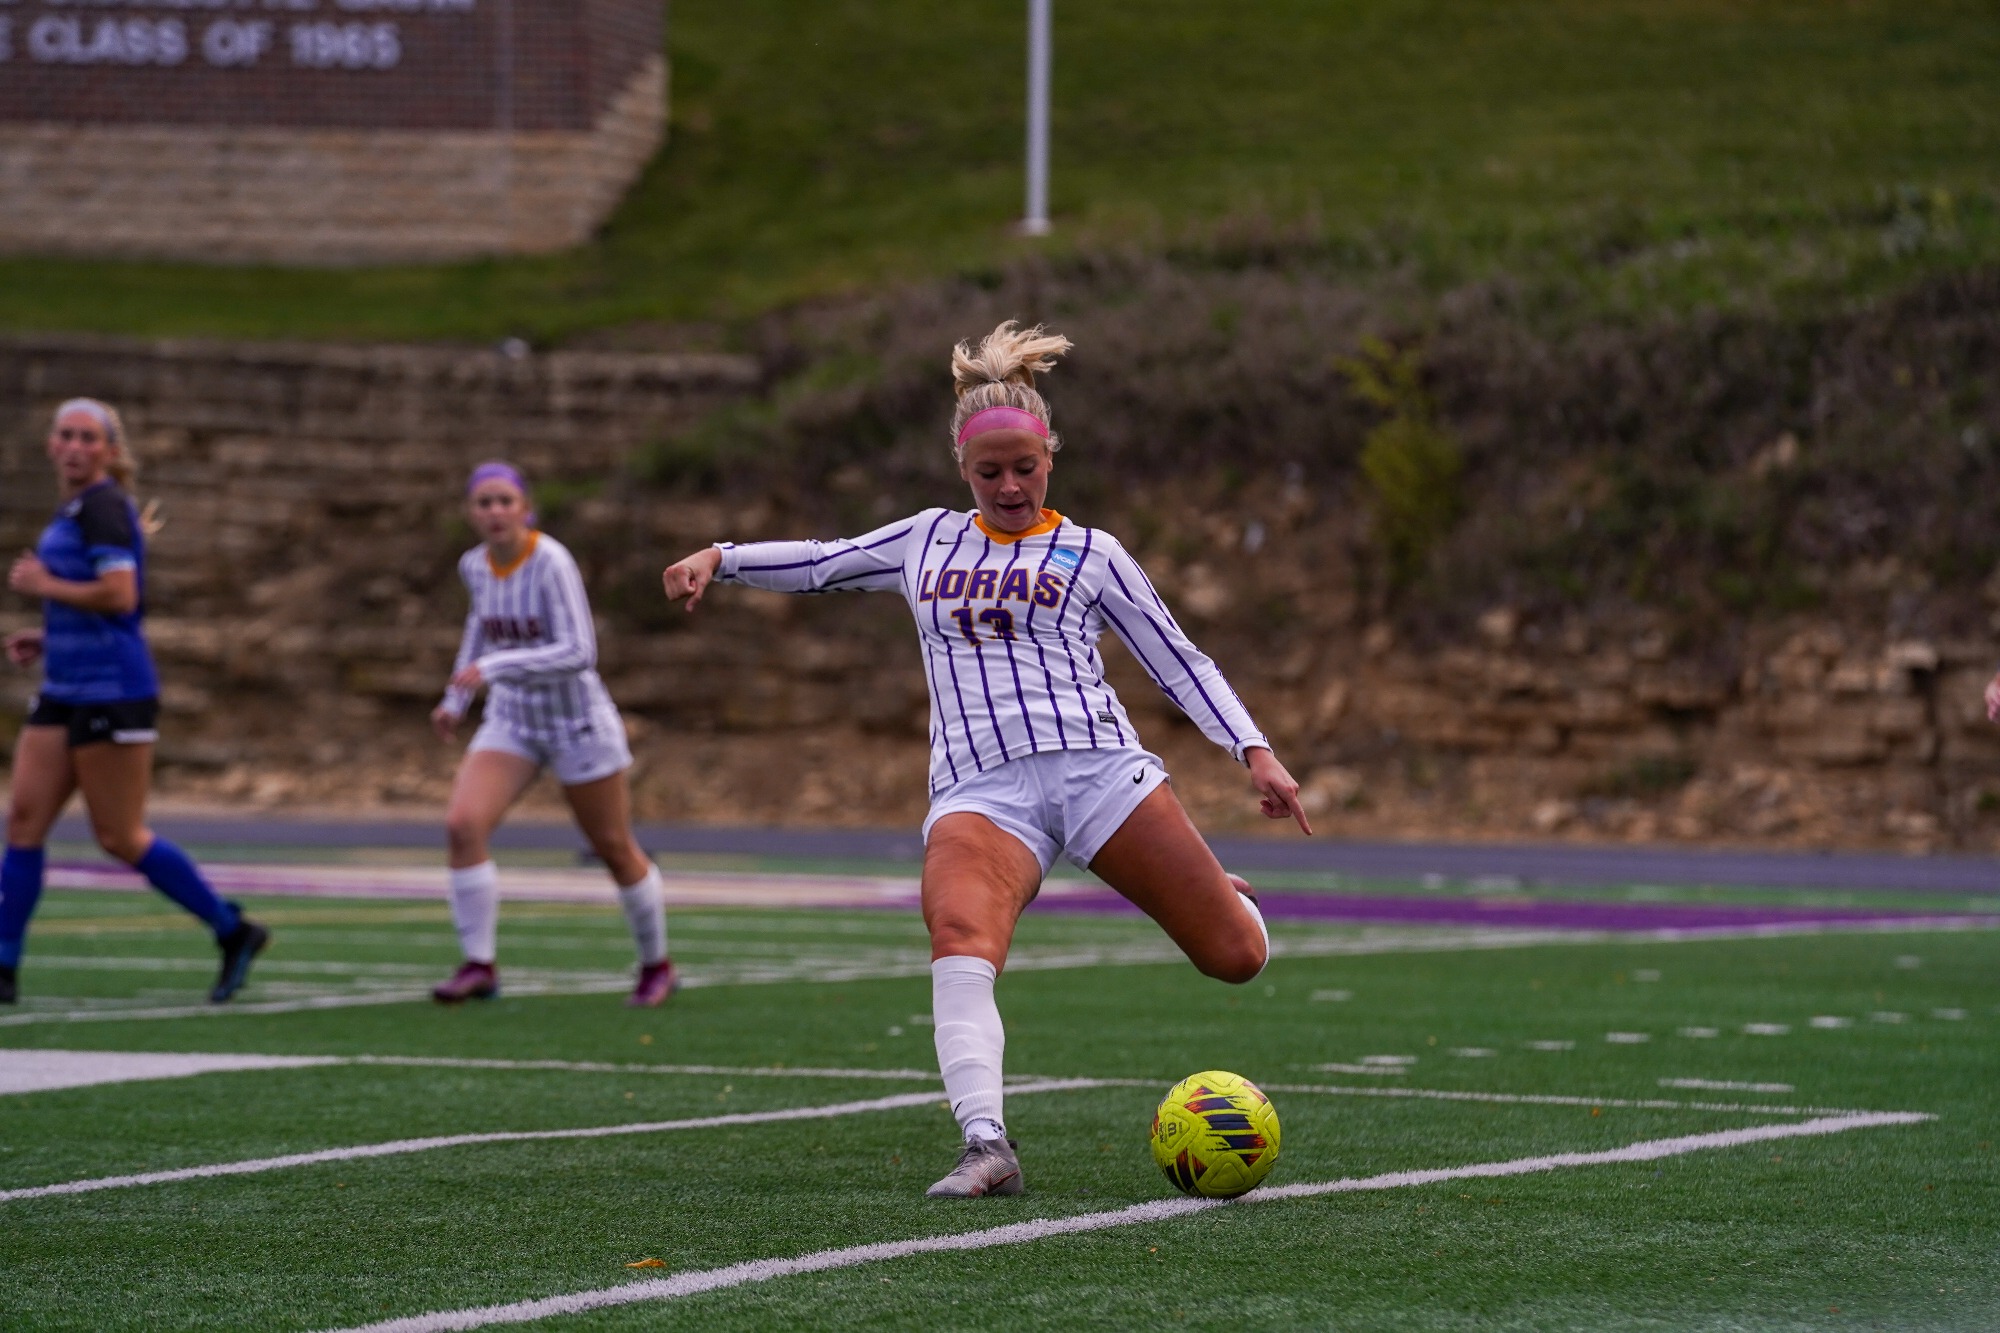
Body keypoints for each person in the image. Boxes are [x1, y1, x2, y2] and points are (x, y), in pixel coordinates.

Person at [662, 321, 1311, 1197]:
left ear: (1051, 456)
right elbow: (821, 564)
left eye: (1024, 467)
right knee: (959, 936)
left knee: (1235, 957)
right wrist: (721, 558)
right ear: (962, 470)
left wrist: (1255, 753)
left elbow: (1180, 659)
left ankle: (1227, 894)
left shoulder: (1093, 552)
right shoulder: (925, 540)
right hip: (979, 788)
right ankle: (985, 1143)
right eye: (989, 472)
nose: (1008, 485)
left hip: (1099, 774)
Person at [2, 398, 269, 1005]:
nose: (73, 446)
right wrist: (49, 634)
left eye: (87, 437)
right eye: (64, 435)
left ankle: (234, 929)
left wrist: (44, 586)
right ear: (50, 444)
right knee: (22, 823)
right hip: (64, 688)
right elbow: (101, 600)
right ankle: (3, 966)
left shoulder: (104, 507)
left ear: (108, 450)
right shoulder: (75, 507)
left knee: (120, 836)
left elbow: (120, 598)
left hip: (113, 691)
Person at [429, 461, 677, 1007]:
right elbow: (478, 629)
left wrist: (495, 669)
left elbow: (579, 652)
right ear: (470, 513)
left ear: (524, 508)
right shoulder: (473, 566)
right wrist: (455, 699)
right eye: (483, 503)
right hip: (514, 721)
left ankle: (657, 964)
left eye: (504, 501)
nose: (494, 512)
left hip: (577, 724)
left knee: (613, 847)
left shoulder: (550, 561)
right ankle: (480, 964)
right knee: (462, 826)